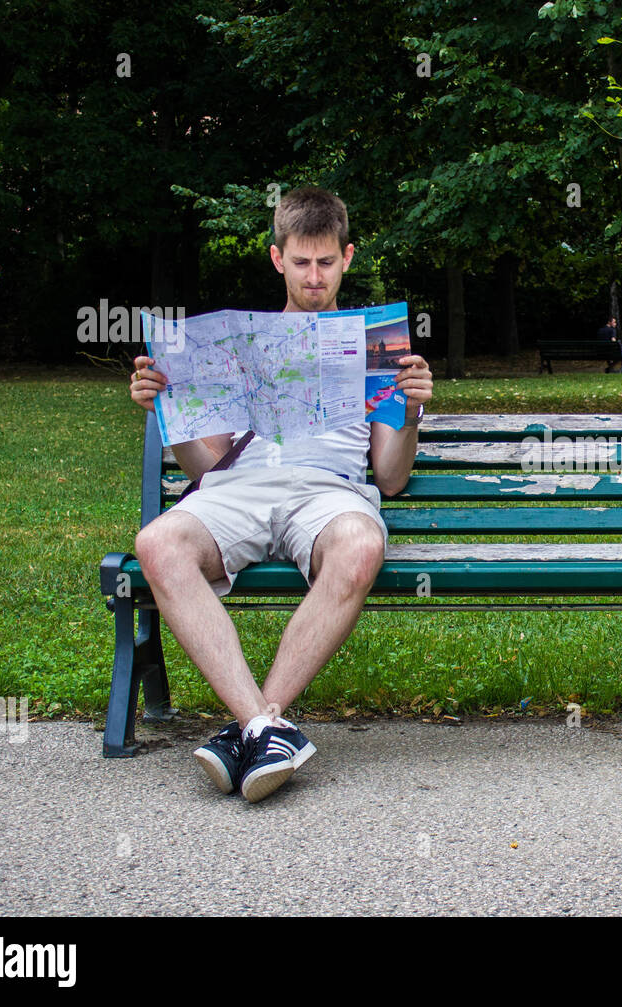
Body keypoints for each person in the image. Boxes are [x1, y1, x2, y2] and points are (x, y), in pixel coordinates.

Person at [128, 187, 433, 803]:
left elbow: (391, 478)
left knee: (360, 545)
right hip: (239, 486)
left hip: (328, 490)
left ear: (347, 257)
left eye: (326, 262)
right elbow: (207, 466)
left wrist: (414, 412)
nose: (315, 276)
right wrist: (169, 412)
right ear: (277, 259)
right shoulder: (234, 342)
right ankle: (265, 728)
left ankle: (250, 728)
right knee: (157, 543)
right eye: (301, 262)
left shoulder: (379, 346)